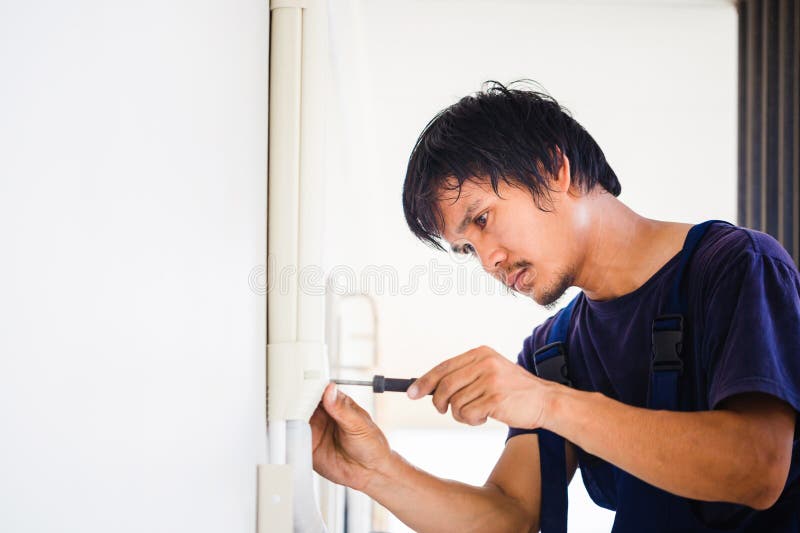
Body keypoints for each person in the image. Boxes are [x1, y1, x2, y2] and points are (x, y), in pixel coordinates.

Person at [309, 82, 800, 532]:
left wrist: (548, 403)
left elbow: (757, 469)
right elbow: (510, 517)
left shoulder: (735, 267)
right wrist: (375, 471)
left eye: (481, 219)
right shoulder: (551, 352)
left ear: (553, 169)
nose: (489, 261)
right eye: (467, 250)